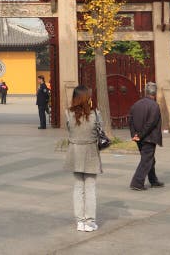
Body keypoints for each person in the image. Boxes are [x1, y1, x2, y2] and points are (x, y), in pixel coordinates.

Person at [64, 85, 102, 232]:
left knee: (78, 187)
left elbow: (69, 130)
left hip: (75, 151)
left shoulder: (68, 113)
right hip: (91, 151)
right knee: (90, 188)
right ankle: (89, 221)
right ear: (87, 97)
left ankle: (80, 221)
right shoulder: (96, 113)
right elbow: (100, 130)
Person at [128, 82, 165, 190]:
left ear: (145, 92)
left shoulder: (136, 104)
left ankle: (153, 180)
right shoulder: (154, 106)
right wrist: (139, 135)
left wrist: (134, 134)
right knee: (146, 160)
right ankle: (137, 182)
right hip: (149, 137)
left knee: (150, 159)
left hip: (140, 137)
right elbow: (151, 123)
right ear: (155, 93)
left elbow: (130, 120)